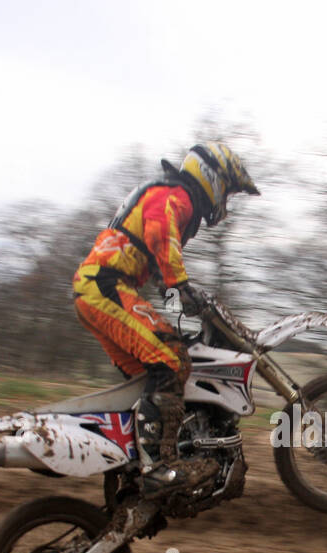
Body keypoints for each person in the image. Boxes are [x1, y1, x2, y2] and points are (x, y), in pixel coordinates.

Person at [72, 142, 259, 497]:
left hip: (105, 288)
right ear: (211, 178)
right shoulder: (176, 195)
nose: (226, 201)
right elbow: (162, 240)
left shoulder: (172, 196)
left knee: (155, 371)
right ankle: (156, 467)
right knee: (171, 360)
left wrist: (180, 295)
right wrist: (183, 287)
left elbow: (158, 263)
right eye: (228, 190)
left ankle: (132, 467)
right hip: (104, 287)